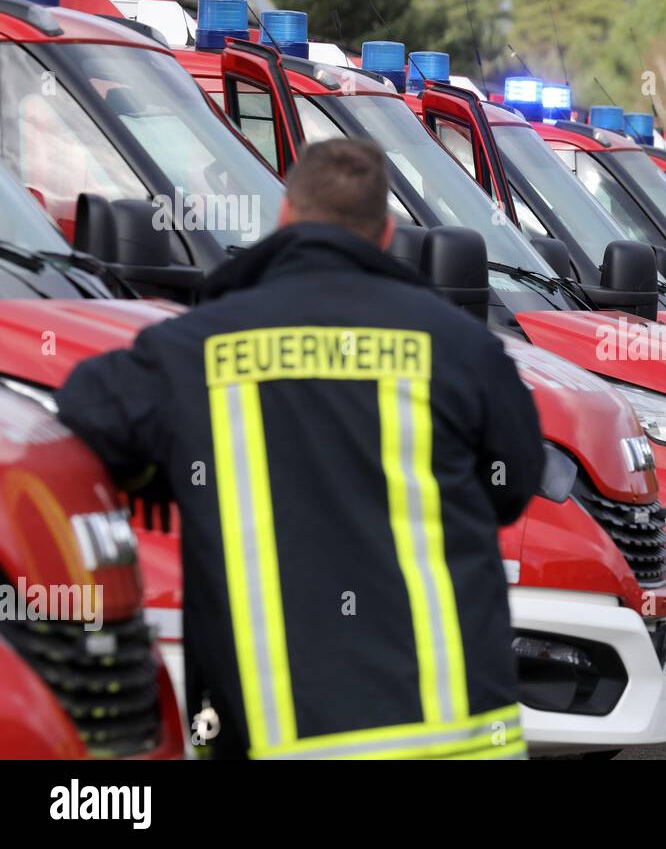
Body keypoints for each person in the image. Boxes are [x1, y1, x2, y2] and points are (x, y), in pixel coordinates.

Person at [55, 139, 542, 760]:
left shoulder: (194, 349)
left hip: (283, 736)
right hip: (463, 737)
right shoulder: (461, 346)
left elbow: (84, 412)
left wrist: (158, 475)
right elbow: (511, 485)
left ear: (284, 219)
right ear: (388, 235)